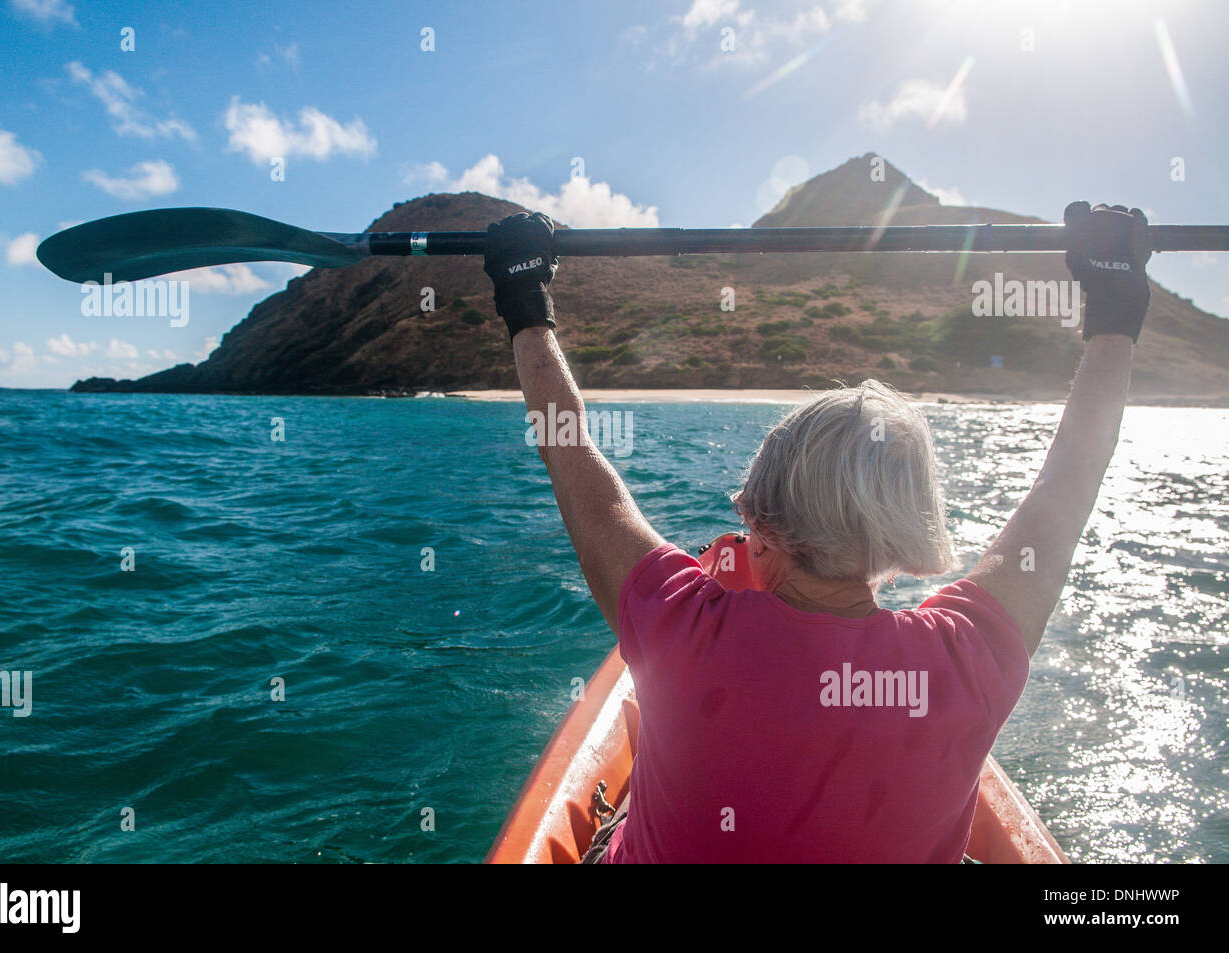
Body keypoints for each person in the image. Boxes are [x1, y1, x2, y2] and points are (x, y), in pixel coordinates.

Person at [482, 202, 1152, 863]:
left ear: (763, 527)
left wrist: (524, 297)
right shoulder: (967, 663)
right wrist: (1114, 309)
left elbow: (571, 456)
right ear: (895, 537)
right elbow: (1069, 483)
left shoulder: (680, 627)